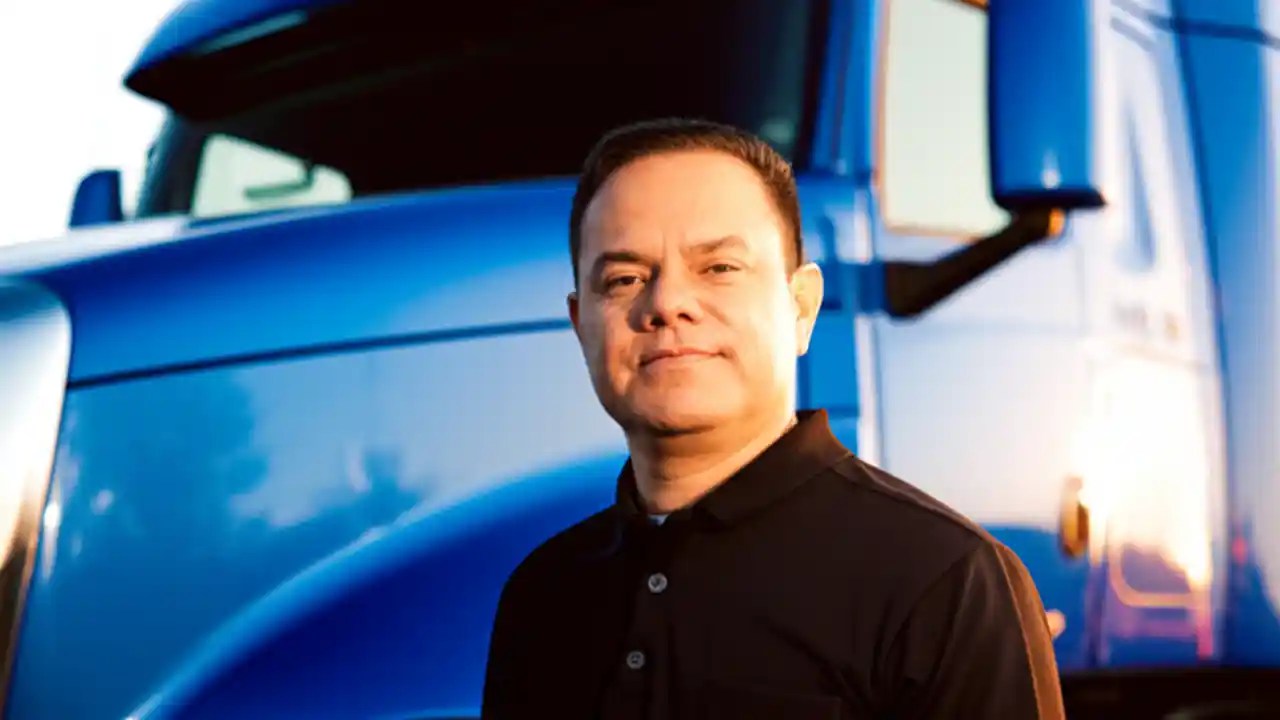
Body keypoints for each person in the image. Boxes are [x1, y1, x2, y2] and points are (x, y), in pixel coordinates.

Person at [481, 118, 1066, 719]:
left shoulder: (944, 582)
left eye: (719, 268)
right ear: (581, 324)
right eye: (624, 279)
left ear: (802, 307)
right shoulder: (543, 595)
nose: (667, 304)